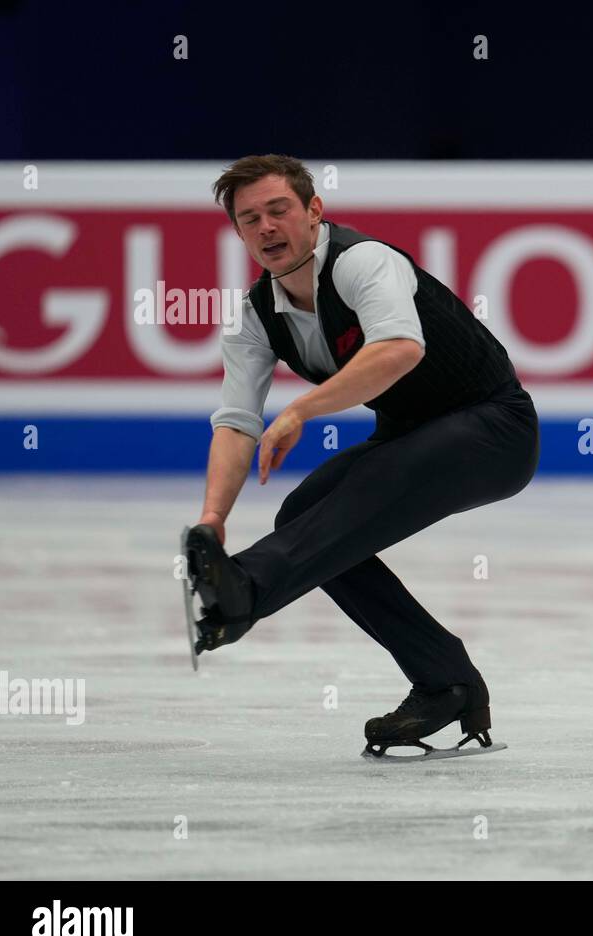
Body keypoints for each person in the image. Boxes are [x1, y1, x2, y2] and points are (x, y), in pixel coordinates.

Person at [184, 154, 539, 757]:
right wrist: (213, 518)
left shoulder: (362, 262)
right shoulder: (256, 315)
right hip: (409, 437)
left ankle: (246, 589)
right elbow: (237, 421)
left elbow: (399, 349)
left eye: (279, 210)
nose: (267, 227)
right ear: (238, 233)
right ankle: (443, 680)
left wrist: (300, 410)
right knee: (304, 513)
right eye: (250, 220)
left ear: (313, 211)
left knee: (365, 485)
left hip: (494, 428)